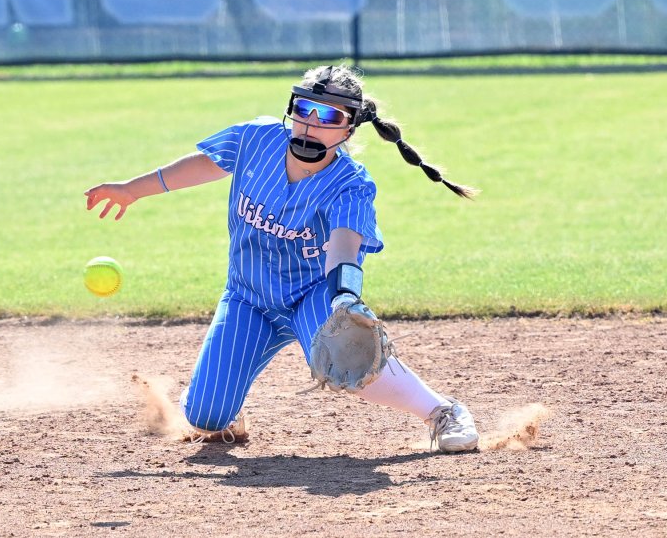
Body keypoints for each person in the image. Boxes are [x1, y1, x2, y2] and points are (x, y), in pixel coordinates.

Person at [85, 64, 480, 452]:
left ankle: (442, 410)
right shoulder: (256, 140)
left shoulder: (351, 184)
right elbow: (203, 164)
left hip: (311, 295)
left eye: (328, 115)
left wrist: (344, 298)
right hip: (247, 297)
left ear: (349, 127)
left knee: (348, 356)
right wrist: (132, 189)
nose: (311, 123)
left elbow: (344, 246)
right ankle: (225, 406)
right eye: (305, 109)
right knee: (205, 418)